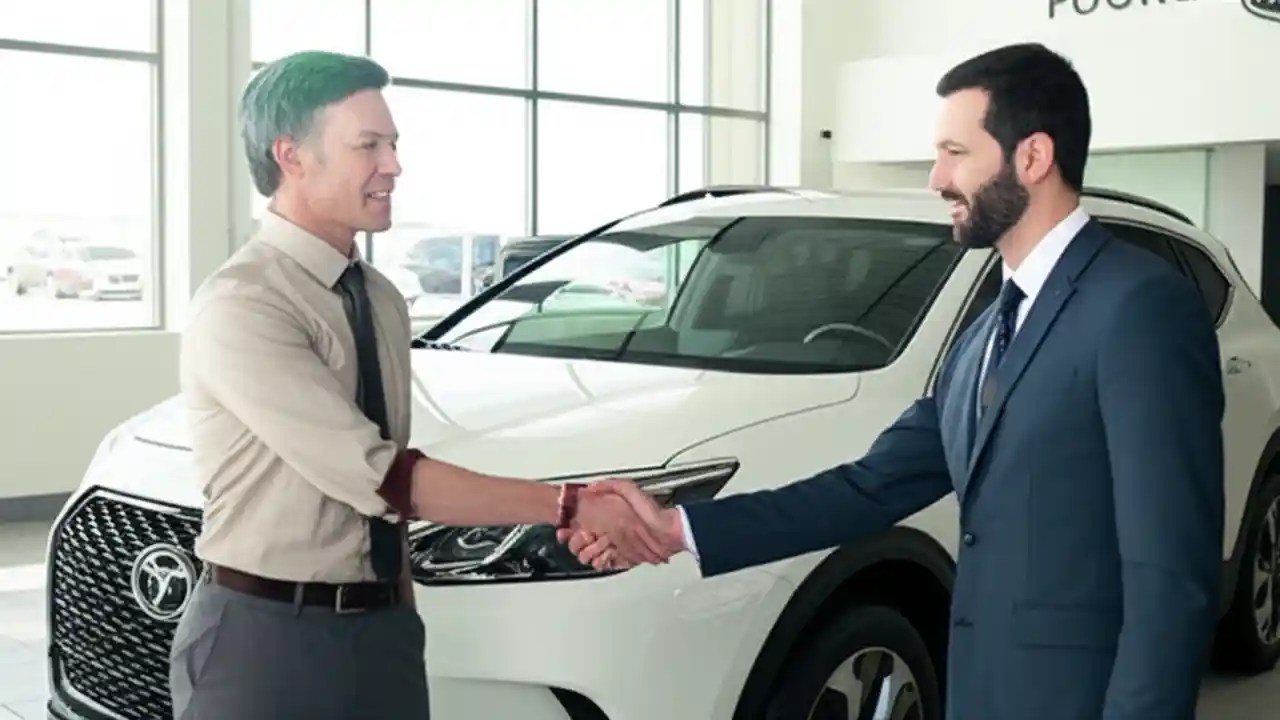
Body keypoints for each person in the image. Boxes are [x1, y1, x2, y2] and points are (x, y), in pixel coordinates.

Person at [561, 43, 1225, 720]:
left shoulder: (1139, 306)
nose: (938, 178)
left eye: (955, 152)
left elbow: (1171, 577)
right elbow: (867, 487)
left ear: (1032, 157)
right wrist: (678, 528)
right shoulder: (983, 335)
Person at [168, 50, 664, 720]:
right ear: (292, 156)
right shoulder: (245, 305)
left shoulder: (378, 296)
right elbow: (381, 477)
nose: (393, 166)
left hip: (385, 629)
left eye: (393, 144)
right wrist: (569, 505)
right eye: (368, 145)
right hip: (269, 639)